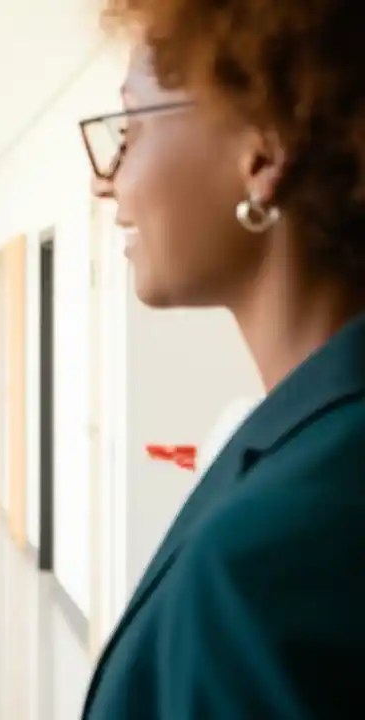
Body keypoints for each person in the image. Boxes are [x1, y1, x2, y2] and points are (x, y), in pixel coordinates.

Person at [80, 0, 365, 716]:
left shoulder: (268, 554)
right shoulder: (317, 441)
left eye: (132, 128)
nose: (105, 181)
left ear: (261, 154)